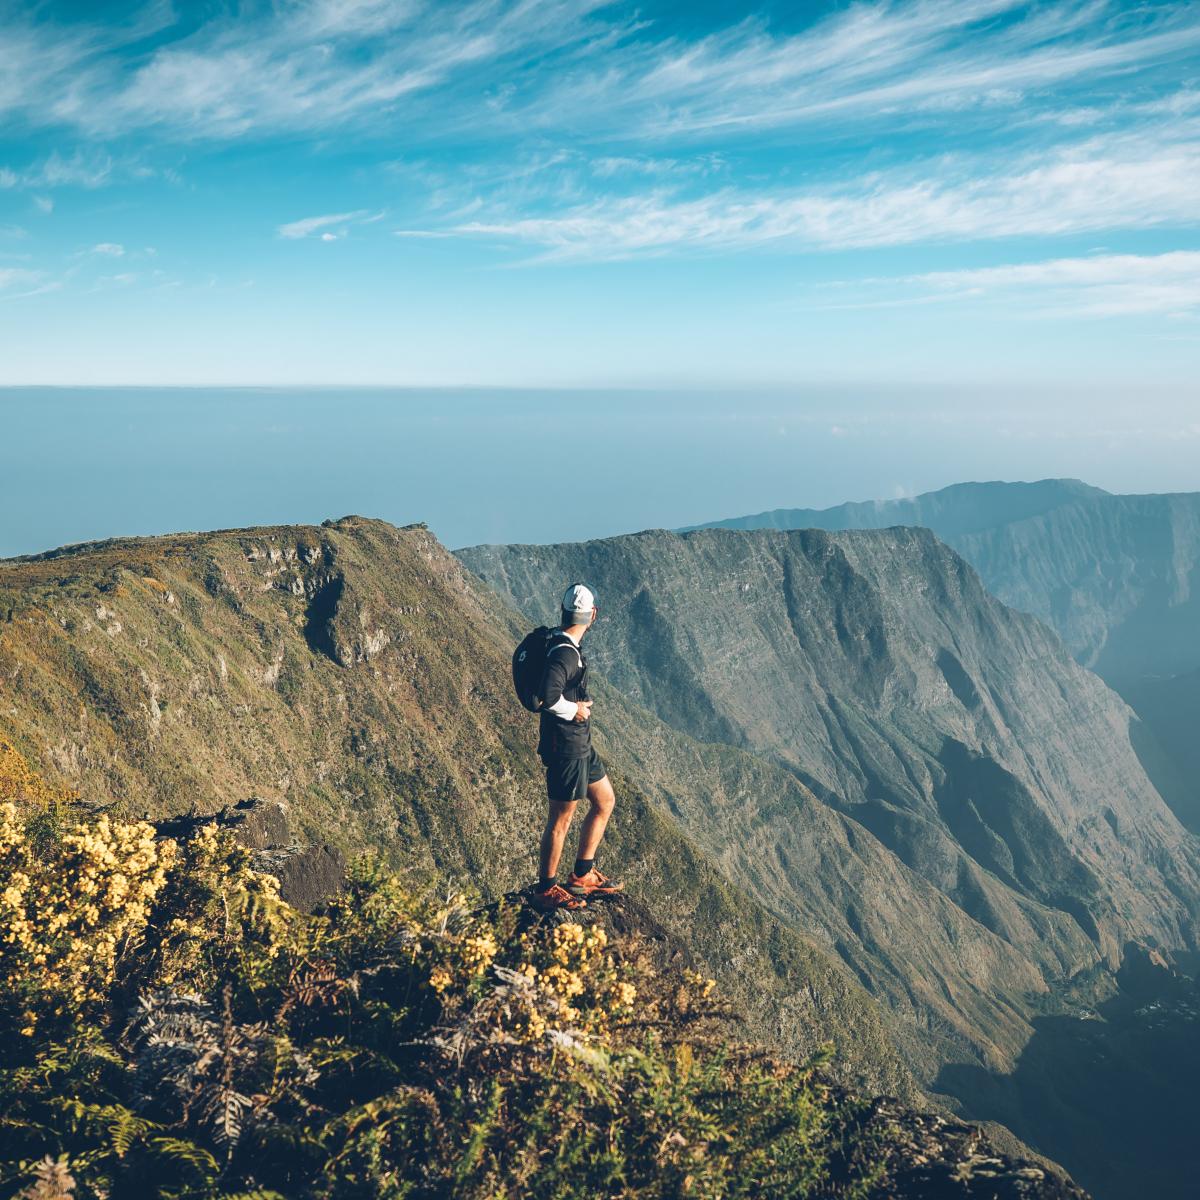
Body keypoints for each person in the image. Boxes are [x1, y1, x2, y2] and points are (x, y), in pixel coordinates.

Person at [529, 583, 624, 911]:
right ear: (592, 615)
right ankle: (546, 889)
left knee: (605, 800)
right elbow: (546, 695)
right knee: (561, 819)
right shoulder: (565, 654)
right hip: (565, 748)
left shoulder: (562, 642)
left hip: (581, 745)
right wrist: (577, 711)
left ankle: (582, 875)